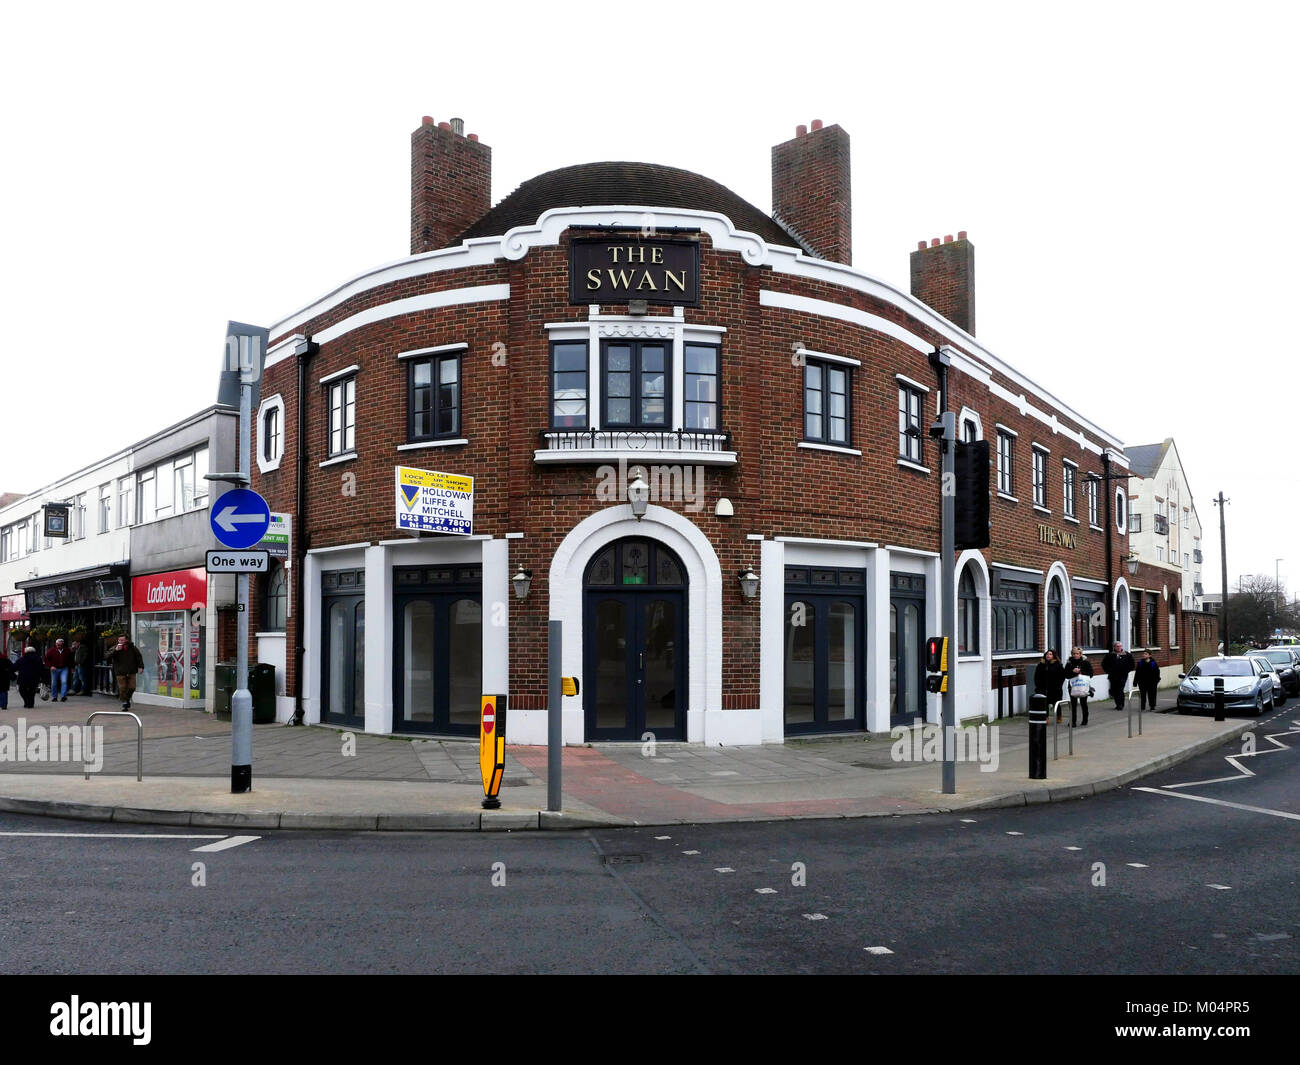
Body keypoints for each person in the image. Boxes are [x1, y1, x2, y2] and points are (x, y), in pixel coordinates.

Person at [107, 634, 144, 710]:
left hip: (131, 671)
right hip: (120, 672)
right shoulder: (115, 648)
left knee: (132, 687)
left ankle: (126, 699)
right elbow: (107, 656)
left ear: (126, 640)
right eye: (119, 640)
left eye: (122, 640)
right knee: (122, 688)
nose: (120, 642)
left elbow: (138, 657)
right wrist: (115, 650)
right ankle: (124, 703)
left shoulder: (132, 648)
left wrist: (141, 667)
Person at [1034, 649, 1067, 722]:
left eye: (1050, 654)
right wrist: (1038, 686)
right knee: (1044, 703)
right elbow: (1036, 676)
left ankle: (1059, 716)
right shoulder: (1041, 665)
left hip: (1055, 688)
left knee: (1056, 703)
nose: (1048, 655)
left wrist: (1058, 686)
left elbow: (1062, 677)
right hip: (1043, 688)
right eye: (1047, 654)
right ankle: (1046, 718)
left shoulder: (1058, 665)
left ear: (1054, 656)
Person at [1064, 645, 1094, 726]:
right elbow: (1066, 675)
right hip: (1072, 686)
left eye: (1077, 653)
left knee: (1083, 703)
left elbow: (1091, 674)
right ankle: (1073, 722)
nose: (1075, 655)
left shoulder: (1086, 662)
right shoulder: (1069, 663)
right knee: (1073, 704)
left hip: (1083, 685)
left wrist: (1081, 672)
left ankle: (1085, 720)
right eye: (1074, 653)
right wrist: (1073, 672)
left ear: (1080, 654)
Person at [1102, 641, 1135, 710]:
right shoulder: (1110, 655)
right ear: (1114, 647)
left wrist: (1126, 670)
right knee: (1114, 690)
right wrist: (1109, 671)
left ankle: (1121, 705)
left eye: (1120, 646)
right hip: (1113, 676)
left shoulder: (1127, 655)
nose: (1119, 647)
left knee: (1120, 689)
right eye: (1117, 646)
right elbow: (1104, 664)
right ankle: (1117, 704)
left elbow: (1132, 665)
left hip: (1123, 676)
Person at [44, 637, 72, 702]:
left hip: (64, 668)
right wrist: (50, 666)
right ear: (56, 644)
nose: (59, 646)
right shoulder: (51, 650)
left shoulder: (67, 650)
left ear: (63, 644)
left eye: (61, 645)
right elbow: (46, 659)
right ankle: (54, 697)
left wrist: (72, 667)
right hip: (54, 669)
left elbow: (70, 660)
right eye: (58, 645)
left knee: (64, 682)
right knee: (54, 683)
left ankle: (63, 696)